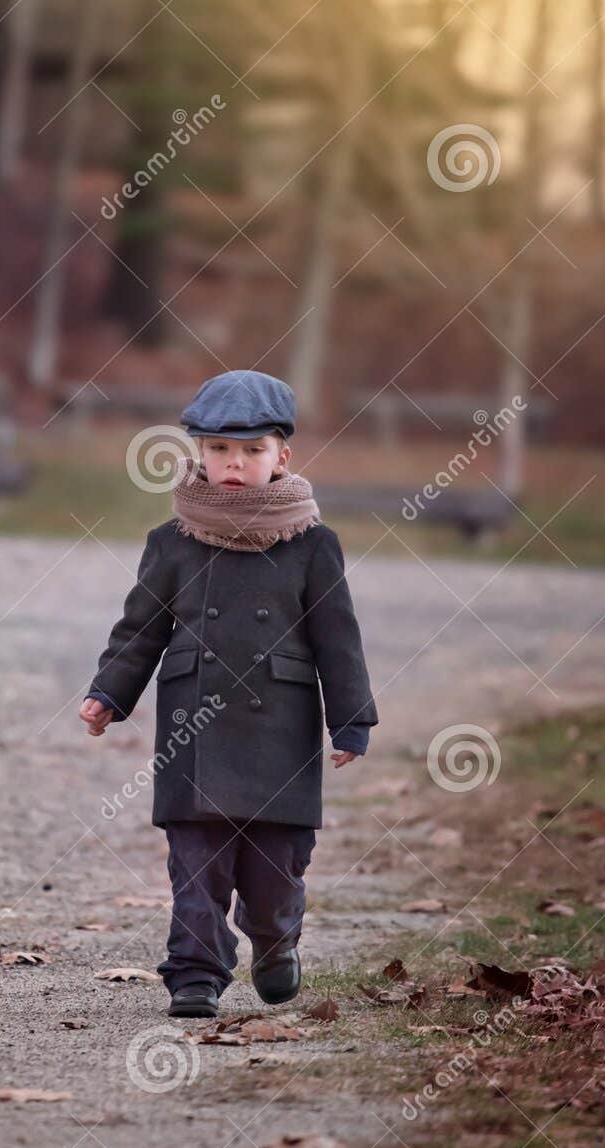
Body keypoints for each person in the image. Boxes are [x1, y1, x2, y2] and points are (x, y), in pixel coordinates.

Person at [79, 370, 378, 1018]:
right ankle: (195, 974)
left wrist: (351, 720)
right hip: (195, 735)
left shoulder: (313, 546)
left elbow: (338, 640)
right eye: (219, 450)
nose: (234, 464)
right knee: (197, 867)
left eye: (251, 451)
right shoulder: (173, 543)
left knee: (275, 874)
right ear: (200, 454)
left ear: (281, 458)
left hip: (281, 734)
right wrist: (110, 691)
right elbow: (141, 628)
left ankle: (275, 943)